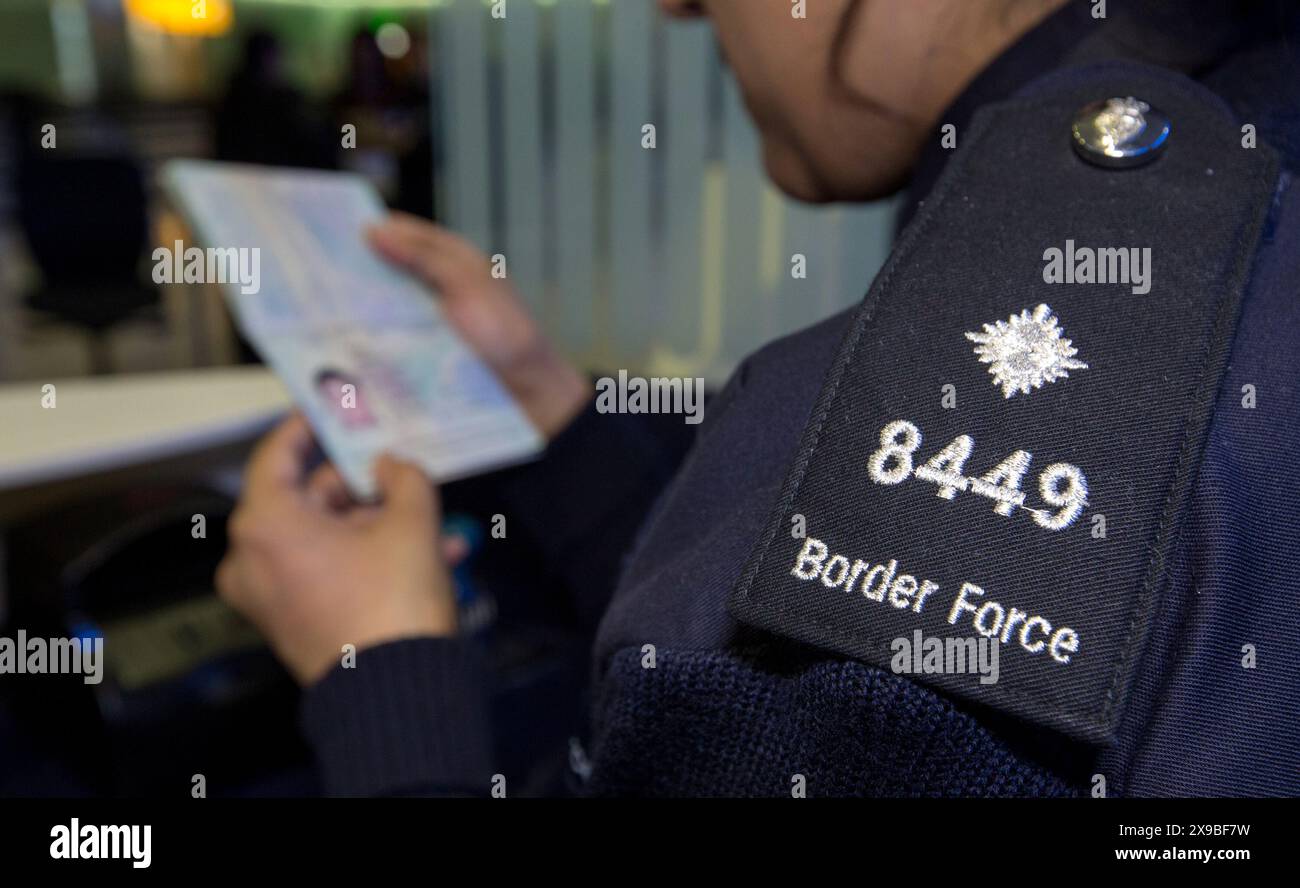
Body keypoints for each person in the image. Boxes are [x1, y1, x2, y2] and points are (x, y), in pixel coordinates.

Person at [216, 0, 1300, 797]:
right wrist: (552, 415)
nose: (678, 8)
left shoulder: (1043, 318)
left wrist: (381, 676)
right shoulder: (1242, 168)